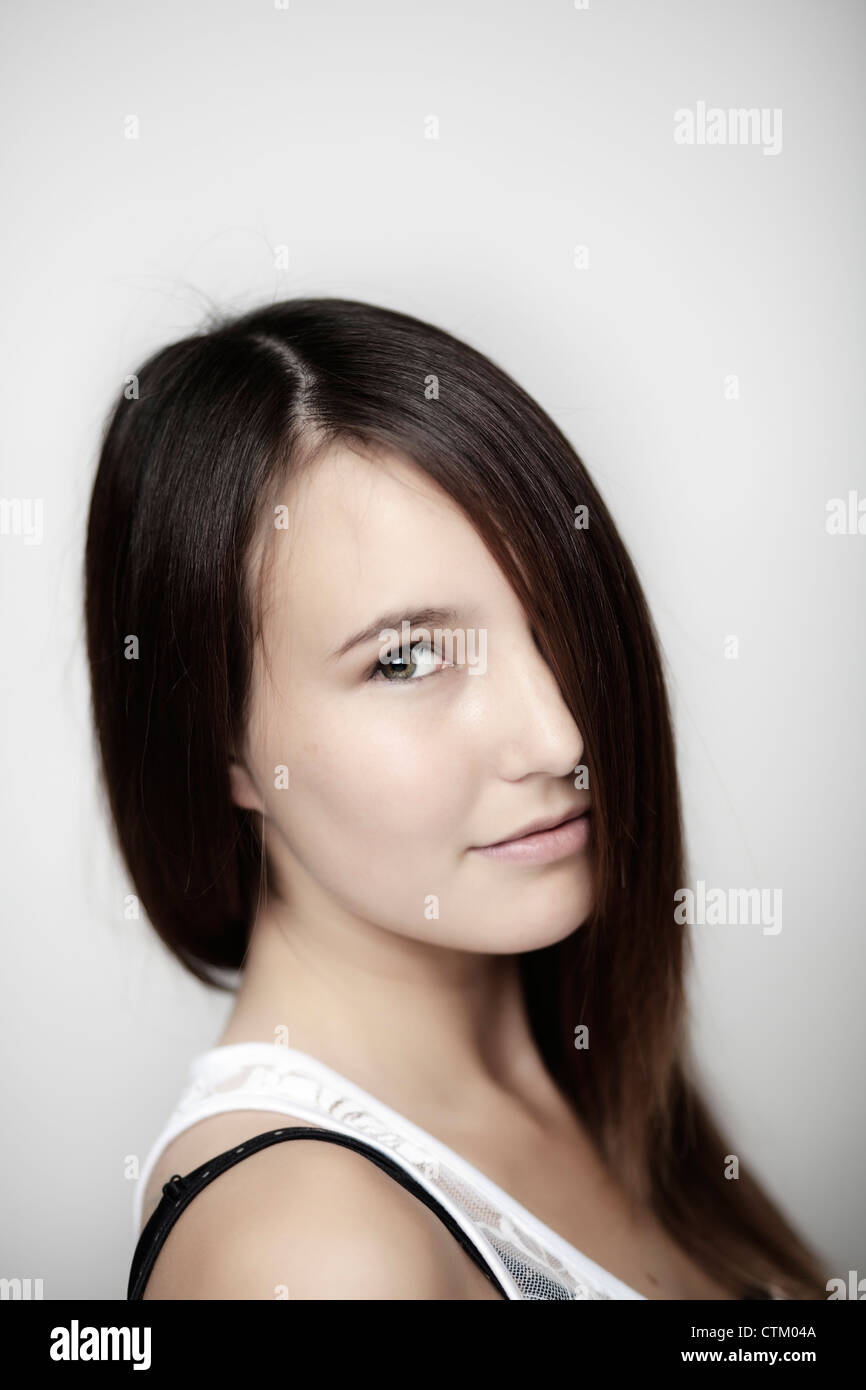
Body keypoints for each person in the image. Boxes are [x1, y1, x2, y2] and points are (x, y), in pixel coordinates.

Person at [84, 296, 828, 1300]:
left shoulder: (593, 1089)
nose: (560, 735)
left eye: (552, 612)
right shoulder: (311, 1251)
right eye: (407, 658)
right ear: (216, 744)